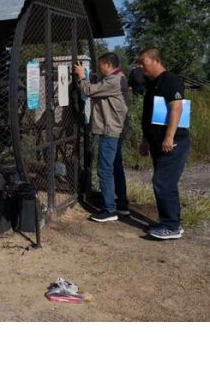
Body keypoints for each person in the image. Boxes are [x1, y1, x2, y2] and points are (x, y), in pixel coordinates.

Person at [138, 48, 190, 240]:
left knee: (163, 182)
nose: (140, 65)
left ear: (156, 60)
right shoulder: (152, 84)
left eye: (143, 61)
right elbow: (150, 115)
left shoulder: (170, 80)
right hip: (157, 142)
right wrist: (146, 140)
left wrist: (169, 136)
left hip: (173, 142)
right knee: (164, 182)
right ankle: (170, 221)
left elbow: (176, 107)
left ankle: (171, 226)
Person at [74, 53, 130, 222]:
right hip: (116, 130)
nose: (99, 69)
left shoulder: (113, 81)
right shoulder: (119, 78)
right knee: (116, 167)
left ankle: (109, 209)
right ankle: (122, 204)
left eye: (100, 65)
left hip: (109, 130)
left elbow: (88, 90)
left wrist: (81, 77)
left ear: (107, 65)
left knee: (104, 169)